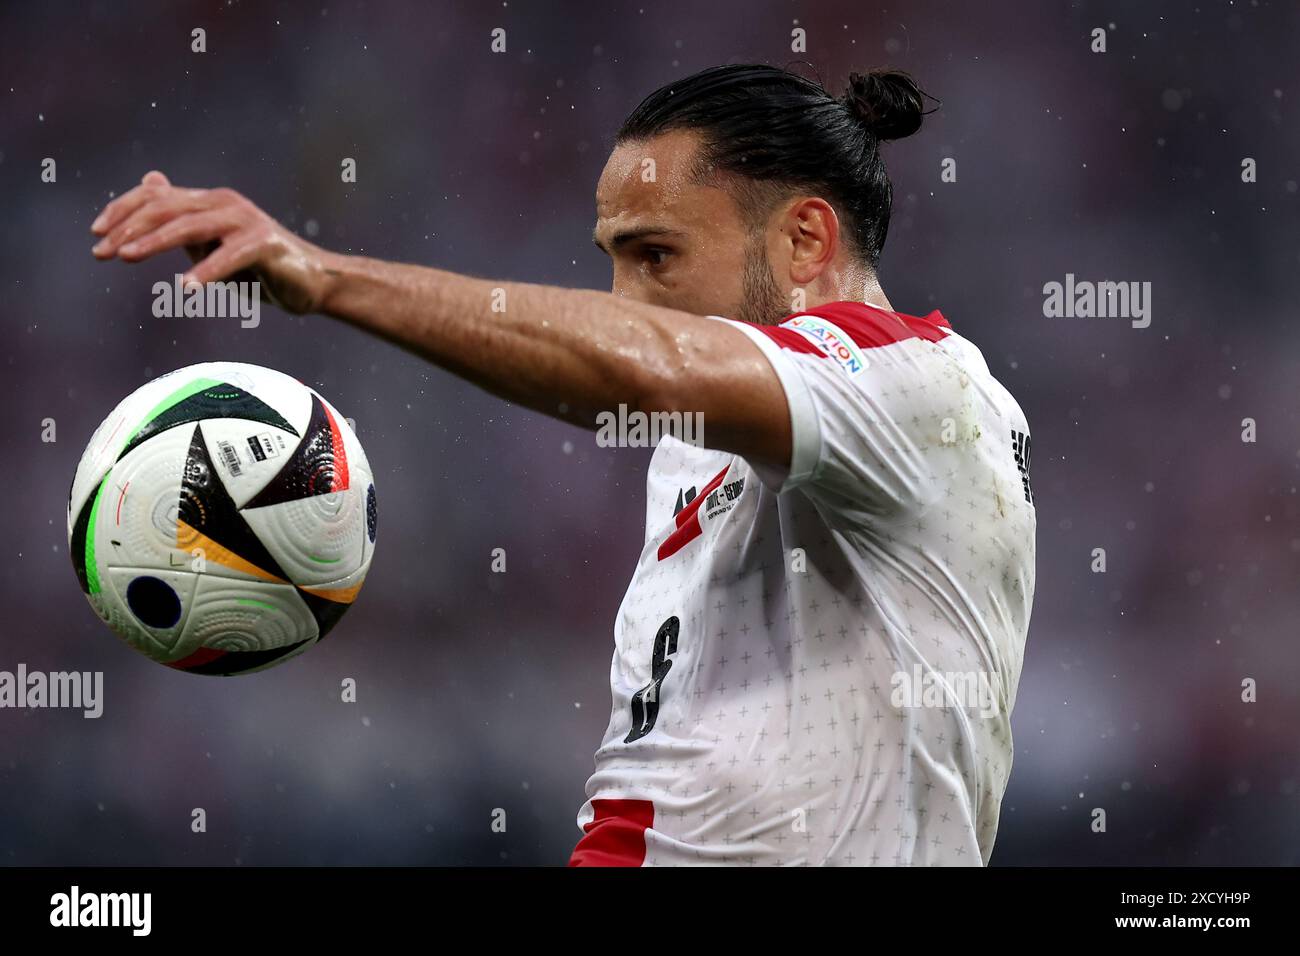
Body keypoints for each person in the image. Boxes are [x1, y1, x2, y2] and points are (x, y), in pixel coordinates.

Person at [90, 63, 1036, 866]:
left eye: (655, 254)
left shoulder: (922, 394)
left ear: (804, 240)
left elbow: (647, 364)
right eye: (613, 258)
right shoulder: (701, 446)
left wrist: (328, 278)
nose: (627, 295)